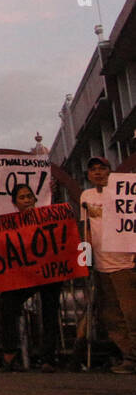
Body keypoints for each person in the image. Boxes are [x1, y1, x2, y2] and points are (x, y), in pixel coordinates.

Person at [0, 184, 62, 372]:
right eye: (22, 197)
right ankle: (10, 353)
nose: (26, 200)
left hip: (49, 272)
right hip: (24, 275)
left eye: (29, 196)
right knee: (7, 304)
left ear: (34, 199)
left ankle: (48, 358)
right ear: (15, 203)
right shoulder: (9, 224)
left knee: (50, 311)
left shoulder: (47, 216)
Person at [82, 156, 136, 374]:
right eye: (93, 169)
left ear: (109, 171)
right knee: (111, 316)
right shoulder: (86, 196)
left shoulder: (125, 193)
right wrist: (84, 260)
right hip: (101, 266)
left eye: (101, 169)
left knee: (132, 314)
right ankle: (129, 356)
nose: (97, 173)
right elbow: (85, 228)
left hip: (125, 264)